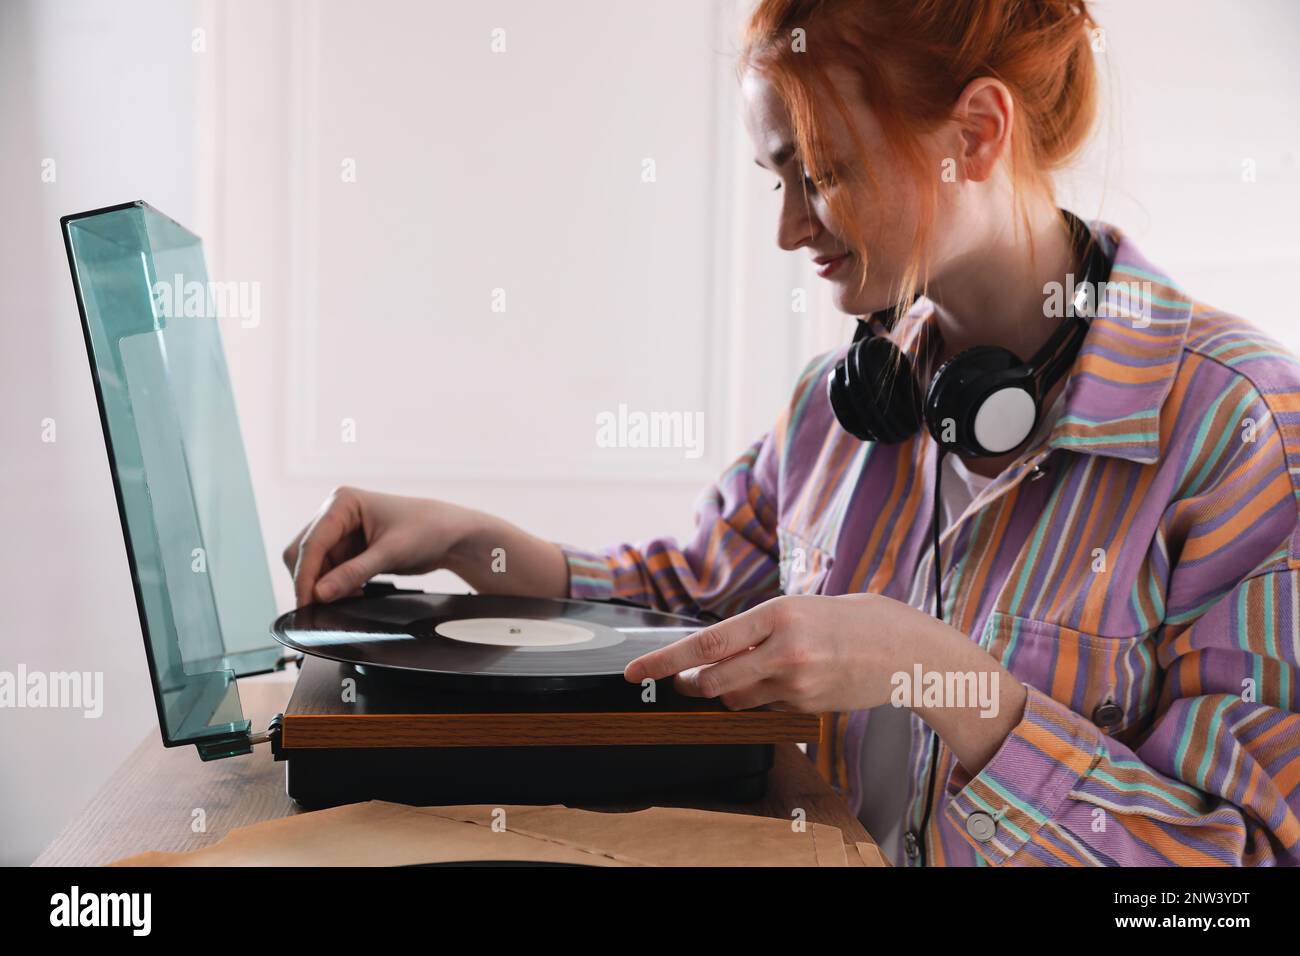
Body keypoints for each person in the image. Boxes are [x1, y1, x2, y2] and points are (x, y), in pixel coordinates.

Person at [283, 0, 1300, 866]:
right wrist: (475, 542)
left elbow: (1237, 868)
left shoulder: (1241, 431)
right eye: (779, 180)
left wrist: (934, 672)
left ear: (976, 135)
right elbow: (685, 603)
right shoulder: (839, 402)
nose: (787, 228)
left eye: (820, 172)